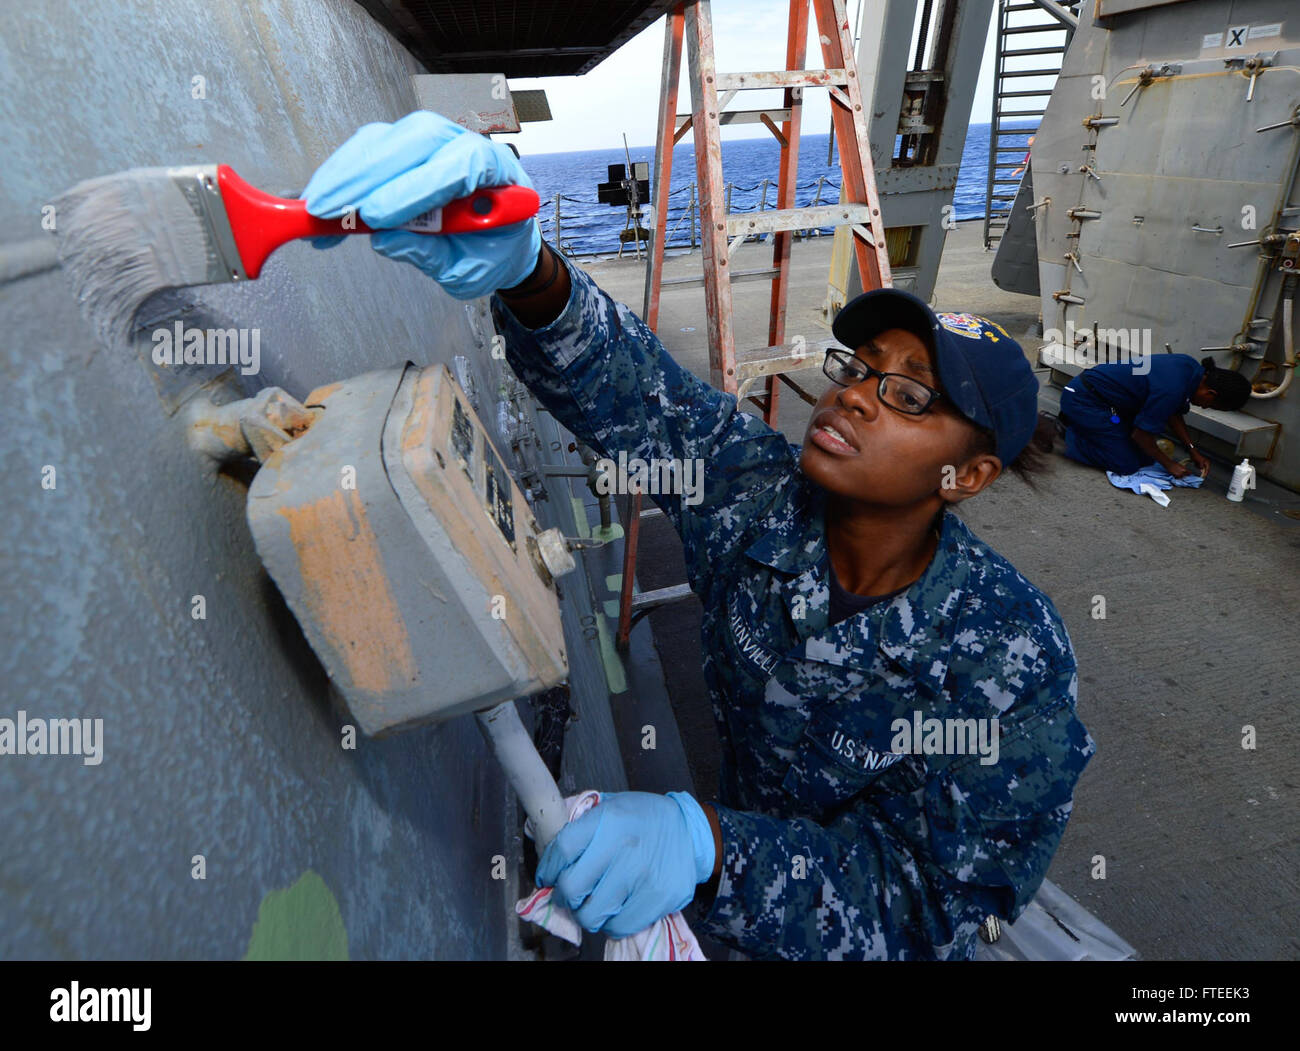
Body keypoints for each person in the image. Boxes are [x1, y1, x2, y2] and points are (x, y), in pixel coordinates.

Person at [302, 111, 1095, 961]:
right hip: (735, 902)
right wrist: (528, 268)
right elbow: (639, 394)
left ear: (966, 476)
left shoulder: (1011, 655)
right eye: (860, 368)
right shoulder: (757, 496)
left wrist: (710, 843)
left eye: (909, 396)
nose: (856, 396)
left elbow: (918, 907)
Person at [1058, 354, 1252, 479]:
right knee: (1126, 465)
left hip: (1110, 407)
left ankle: (1085, 427)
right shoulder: (1172, 389)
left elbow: (1173, 413)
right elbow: (1140, 436)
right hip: (1085, 401)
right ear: (1211, 393)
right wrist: (1169, 465)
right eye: (1211, 406)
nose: (1205, 407)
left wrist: (1192, 450)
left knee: (1144, 457)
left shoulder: (1190, 367)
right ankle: (1066, 432)